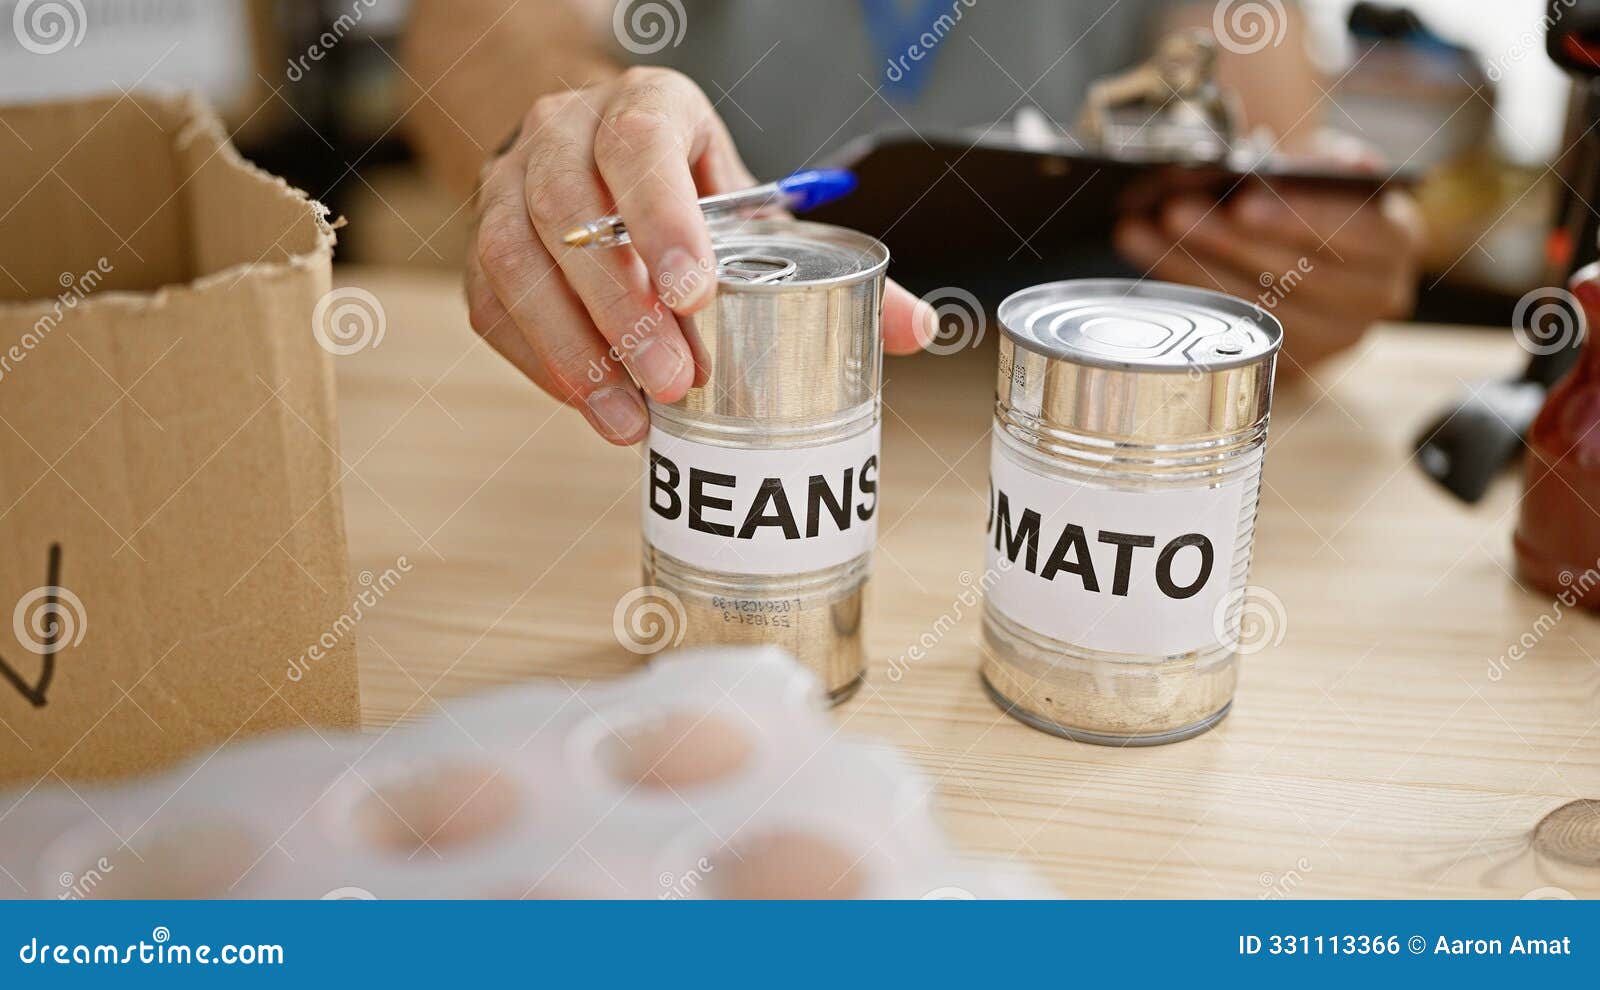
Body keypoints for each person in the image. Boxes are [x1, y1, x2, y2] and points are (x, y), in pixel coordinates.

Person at [402, 0, 1424, 446]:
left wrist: (1296, 260)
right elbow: (480, 25)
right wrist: (566, 140)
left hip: (1063, 421)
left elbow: (1256, 90)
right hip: (707, 393)